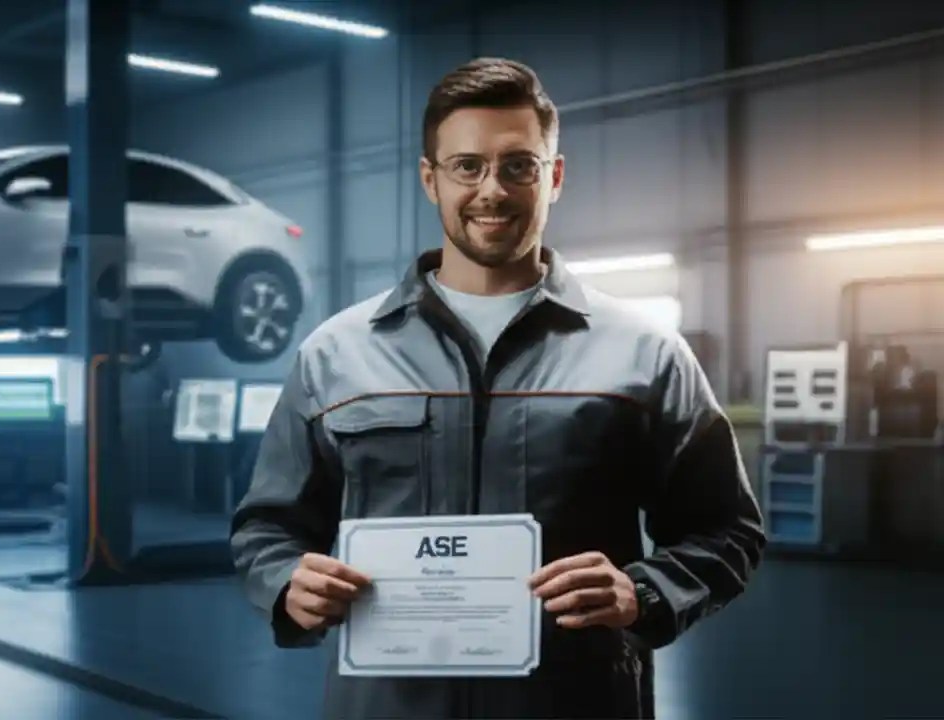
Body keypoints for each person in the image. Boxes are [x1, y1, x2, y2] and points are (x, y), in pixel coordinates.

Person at [229, 57, 766, 719]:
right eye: (467, 166)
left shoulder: (644, 354)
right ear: (431, 179)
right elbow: (267, 526)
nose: (493, 189)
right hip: (386, 707)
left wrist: (644, 591)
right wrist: (287, 584)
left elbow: (727, 528)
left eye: (519, 165)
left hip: (575, 704)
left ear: (555, 176)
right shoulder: (335, 355)